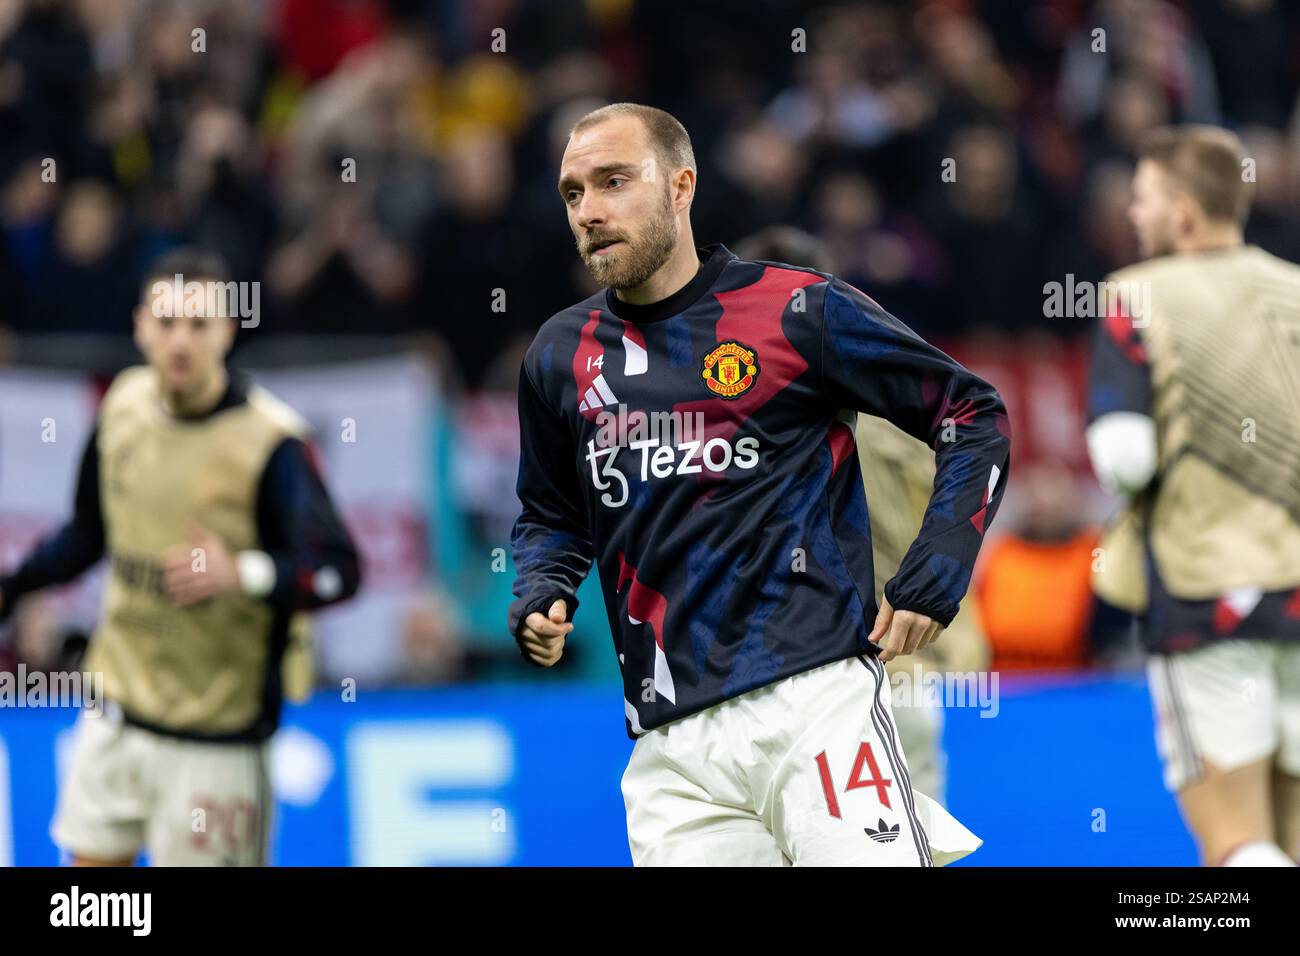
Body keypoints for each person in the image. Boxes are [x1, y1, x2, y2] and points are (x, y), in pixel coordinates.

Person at [509, 103, 1011, 866]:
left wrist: (935, 569)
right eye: (574, 193)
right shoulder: (557, 356)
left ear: (681, 186)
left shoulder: (797, 309)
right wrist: (545, 584)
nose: (590, 210)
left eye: (614, 181)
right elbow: (550, 512)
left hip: (814, 702)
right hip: (670, 747)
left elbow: (973, 413)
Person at [0, 248, 362, 866]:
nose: (181, 341)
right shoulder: (122, 407)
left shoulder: (270, 442)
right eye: (166, 323)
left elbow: (338, 571)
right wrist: (13, 588)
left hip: (217, 742)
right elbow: (88, 535)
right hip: (117, 713)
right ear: (141, 326)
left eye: (199, 324)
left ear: (227, 329)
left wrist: (241, 571)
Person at [1088, 125, 1300, 867]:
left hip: (1204, 592)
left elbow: (1124, 455)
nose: (1132, 215)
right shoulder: (1296, 289)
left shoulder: (1135, 295)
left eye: (1141, 199)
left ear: (1181, 212)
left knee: (1238, 845)